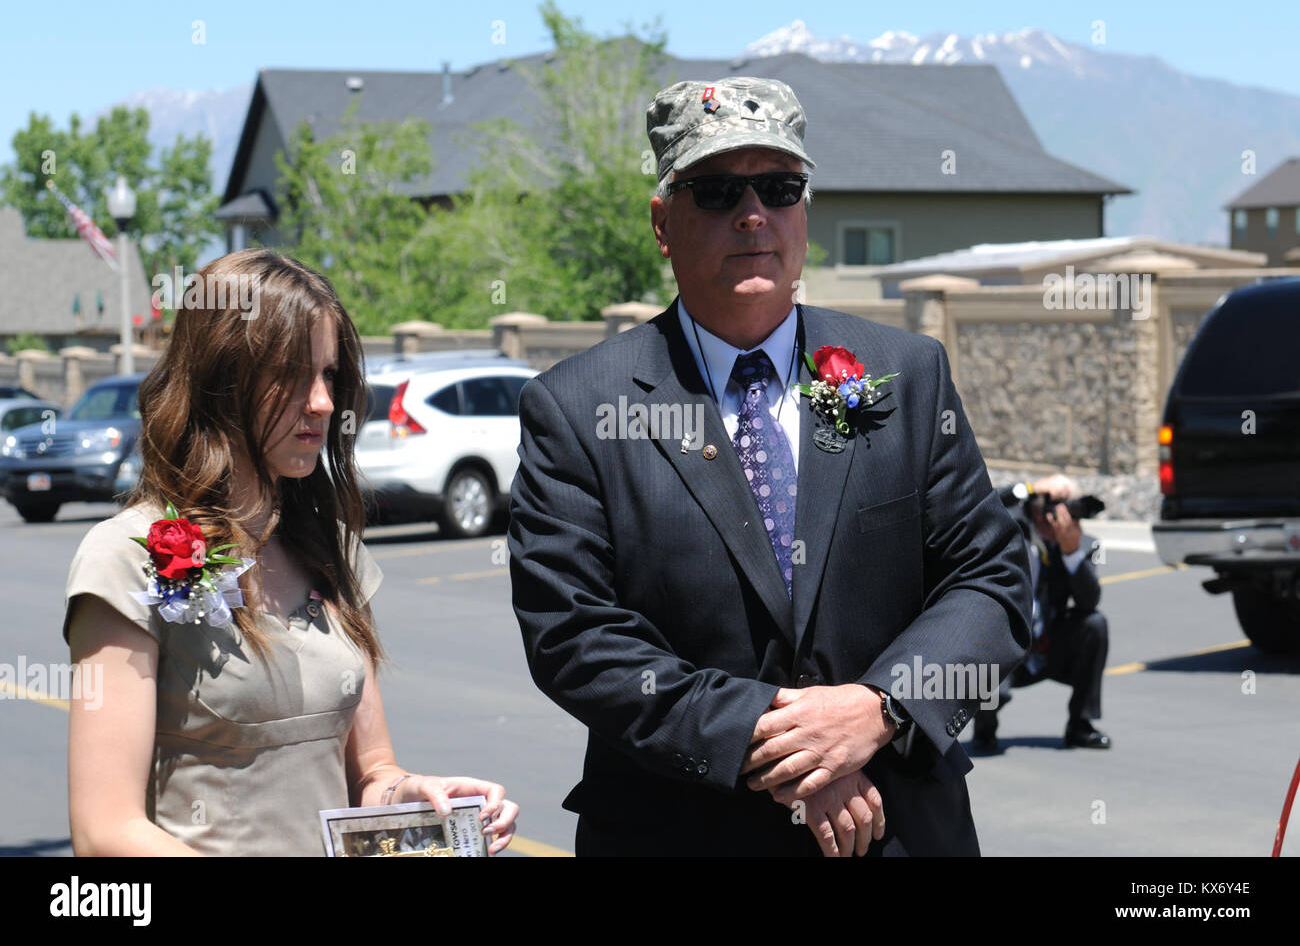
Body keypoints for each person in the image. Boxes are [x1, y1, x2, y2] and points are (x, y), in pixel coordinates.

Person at [507, 77, 1033, 856]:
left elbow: (993, 581)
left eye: (780, 187)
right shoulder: (577, 408)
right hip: (682, 831)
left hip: (896, 828)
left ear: (805, 214)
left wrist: (876, 709)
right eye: (717, 192)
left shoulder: (906, 373)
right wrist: (782, 738)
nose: (753, 214)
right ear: (662, 222)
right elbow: (574, 634)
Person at [63, 249, 519, 856]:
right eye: (293, 375)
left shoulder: (329, 548)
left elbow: (371, 774)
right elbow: (104, 832)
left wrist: (419, 800)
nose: (324, 401)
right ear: (221, 378)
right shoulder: (126, 558)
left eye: (329, 374)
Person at [974, 473, 1111, 752]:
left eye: (1068, 508)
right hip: (1009, 639)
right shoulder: (1010, 528)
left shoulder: (1082, 543)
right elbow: (980, 503)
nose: (1056, 518)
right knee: (985, 639)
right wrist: (1031, 488)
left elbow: (1089, 601)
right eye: (1052, 506)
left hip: (1048, 645)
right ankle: (984, 729)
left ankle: (1080, 726)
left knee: (1095, 624)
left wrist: (1071, 552)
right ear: (1035, 508)